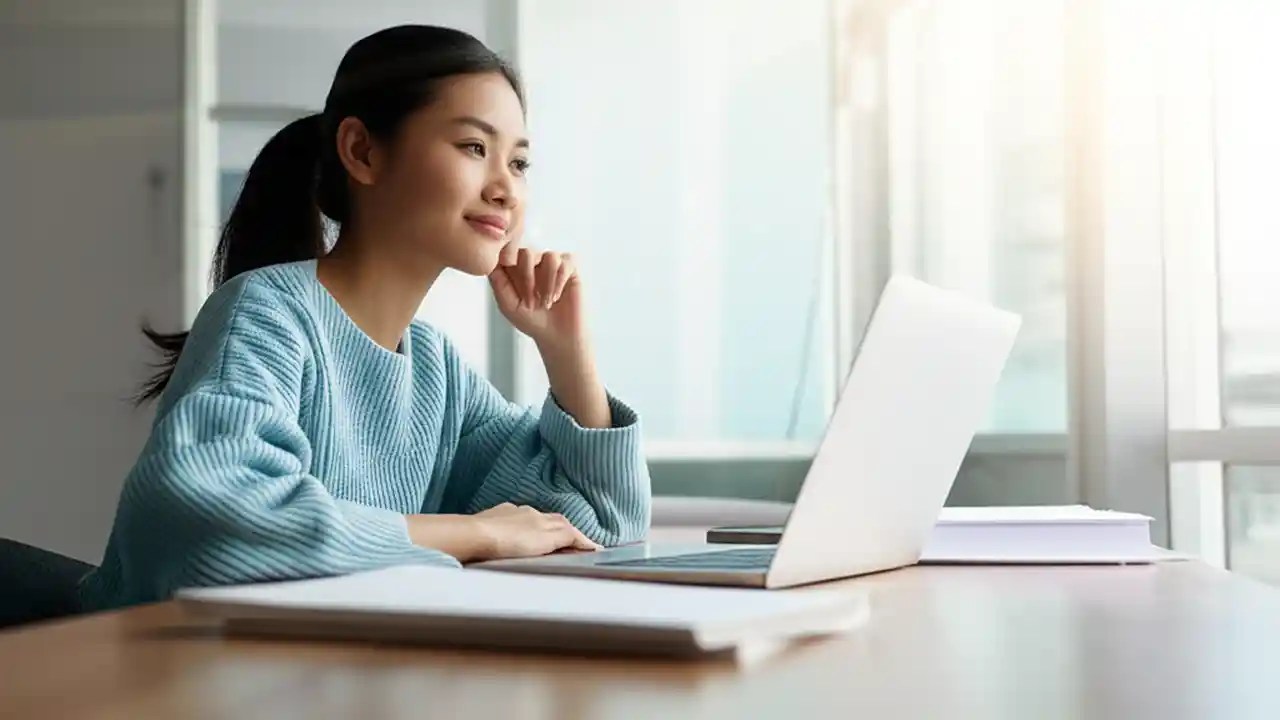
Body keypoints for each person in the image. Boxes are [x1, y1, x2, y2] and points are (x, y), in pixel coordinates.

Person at [78, 25, 651, 611]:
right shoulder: (268, 313)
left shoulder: (436, 371)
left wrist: (567, 354)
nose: (506, 188)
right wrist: (475, 533)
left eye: (520, 161)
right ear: (363, 152)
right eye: (475, 148)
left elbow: (599, 525)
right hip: (159, 679)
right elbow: (207, 521)